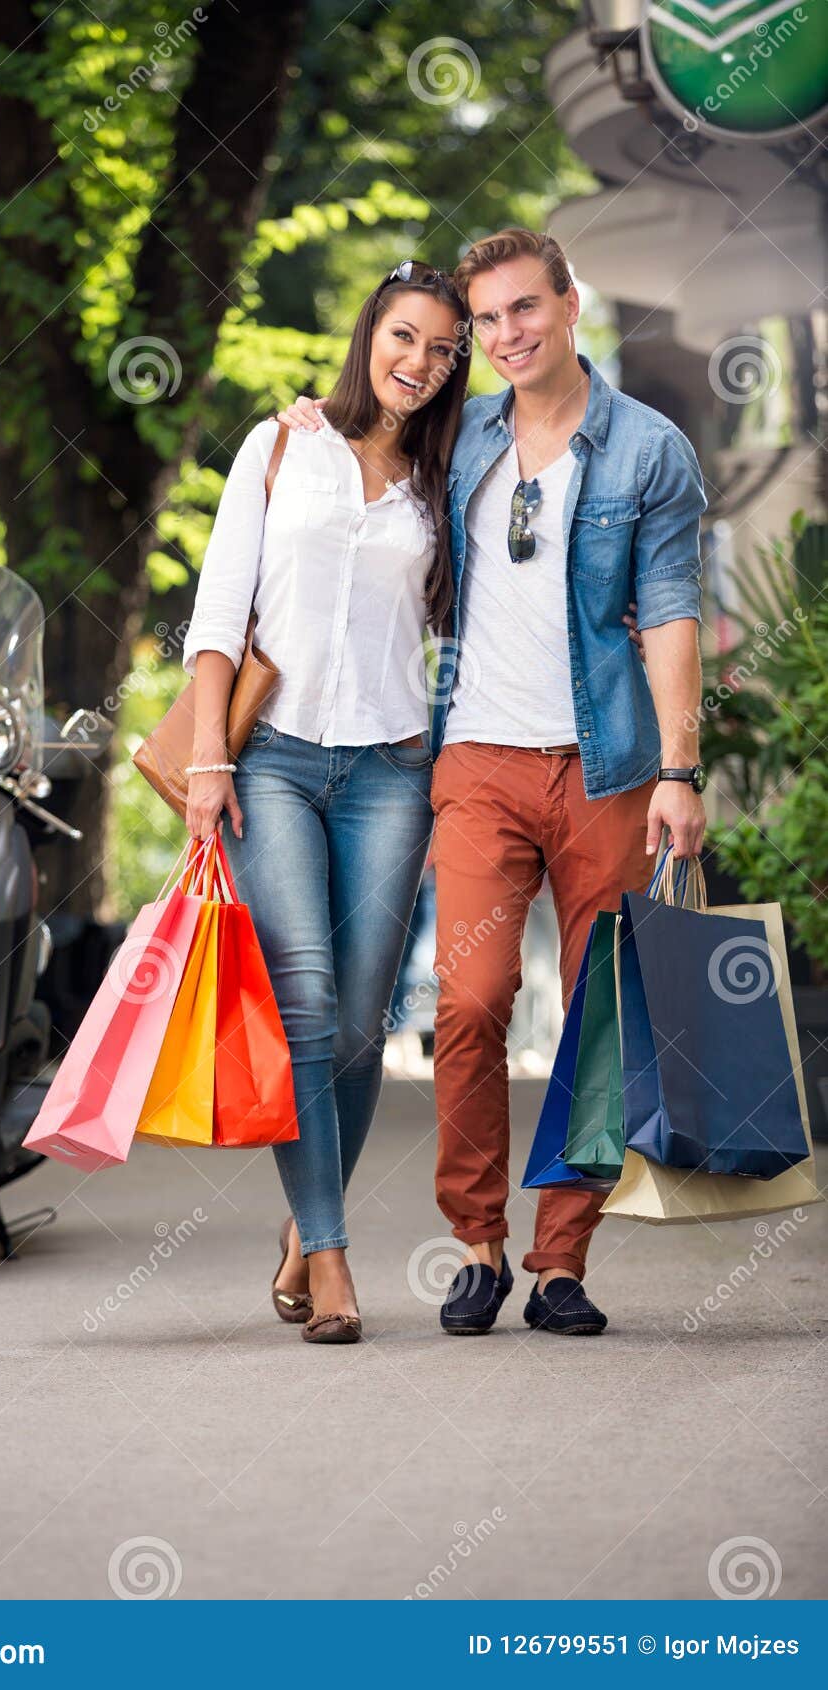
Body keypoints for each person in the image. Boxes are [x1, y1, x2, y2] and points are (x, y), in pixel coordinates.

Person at [276, 227, 707, 1338]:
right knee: (466, 1000)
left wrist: (677, 767)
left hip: (608, 770)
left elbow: (669, 608)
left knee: (599, 1017)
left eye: (525, 307)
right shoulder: (458, 435)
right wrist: (305, 425)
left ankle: (560, 1259)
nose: (507, 333)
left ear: (568, 304)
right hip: (474, 761)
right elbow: (363, 448)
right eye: (487, 320)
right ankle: (476, 1242)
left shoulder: (647, 450)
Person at [181, 260, 472, 1343]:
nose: (418, 362)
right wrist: (206, 762)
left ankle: (304, 1230)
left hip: (391, 771)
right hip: (273, 764)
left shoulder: (442, 483)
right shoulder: (280, 446)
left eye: (441, 350)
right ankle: (336, 1258)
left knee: (358, 1026)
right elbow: (219, 612)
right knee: (302, 999)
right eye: (403, 336)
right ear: (368, 335)